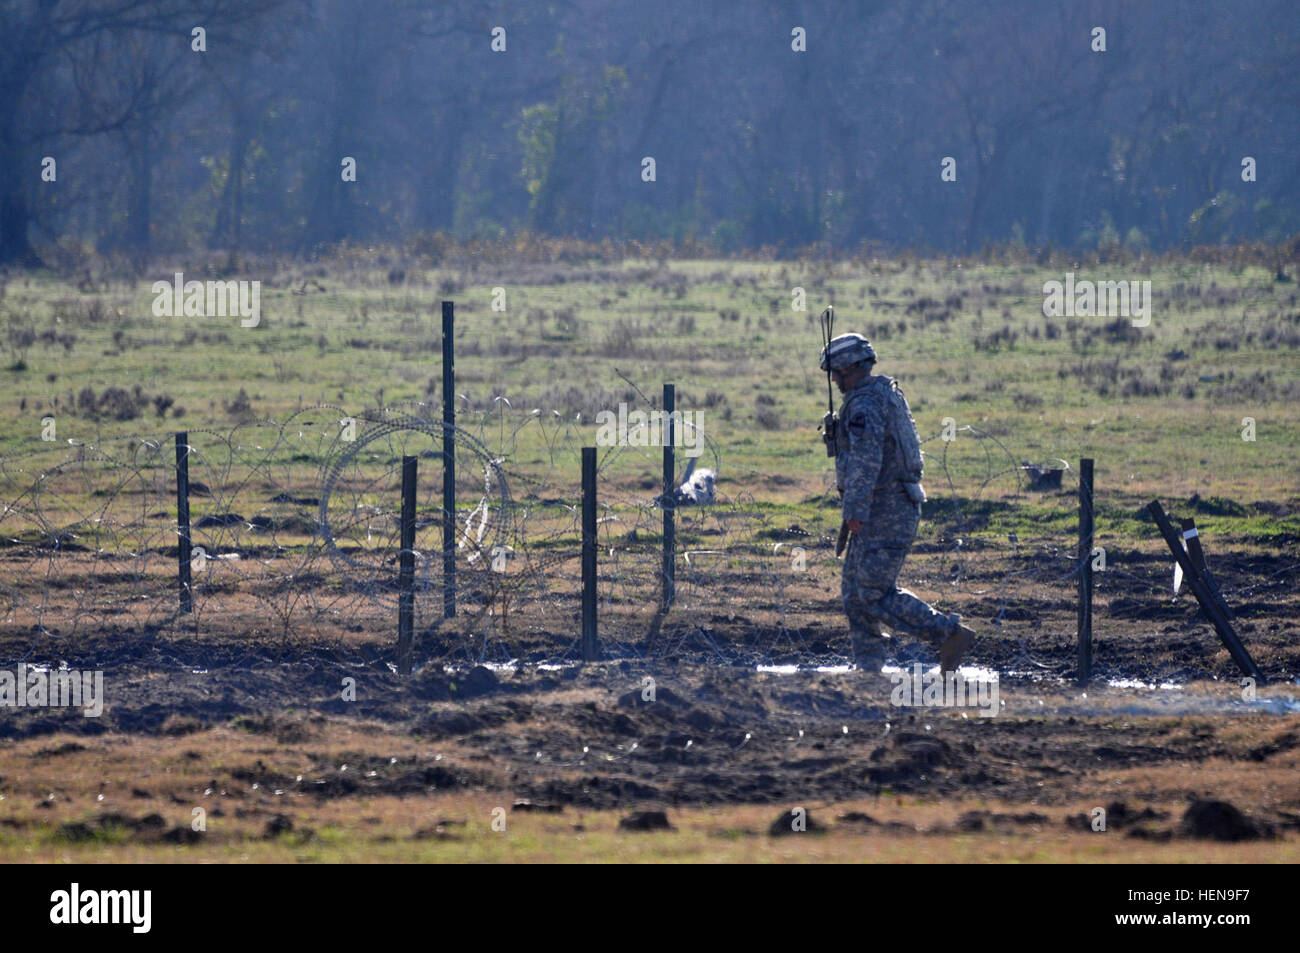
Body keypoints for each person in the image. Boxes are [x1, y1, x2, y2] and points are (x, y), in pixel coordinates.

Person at [819, 332, 976, 673]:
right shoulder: (880, 394)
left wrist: (855, 512)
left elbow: (866, 460)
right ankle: (869, 668)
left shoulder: (863, 405)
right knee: (854, 595)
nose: (834, 380)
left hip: (886, 509)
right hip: (882, 506)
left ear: (853, 369)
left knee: (872, 592)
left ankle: (949, 634)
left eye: (837, 373)